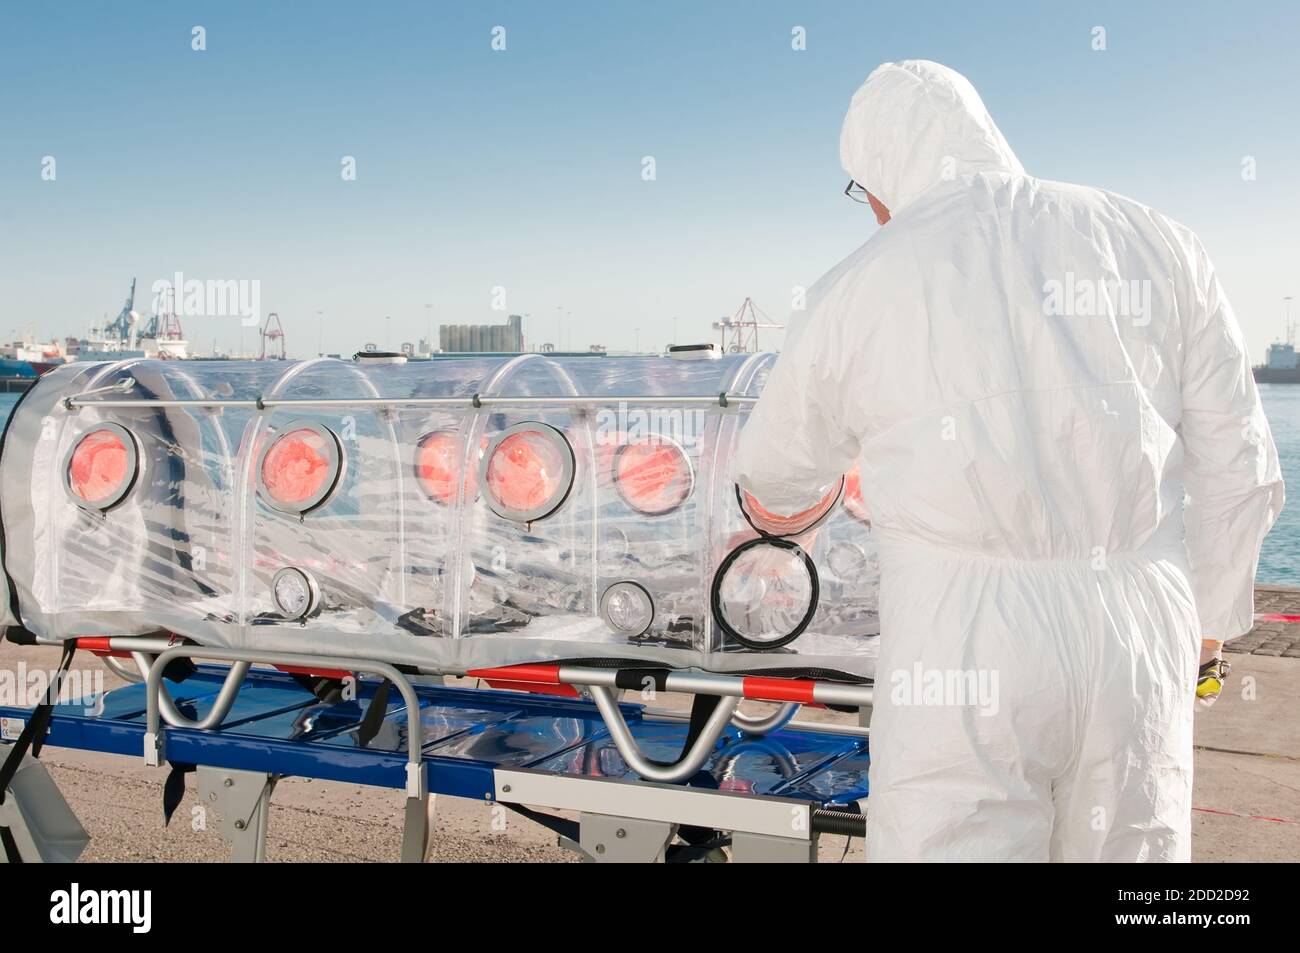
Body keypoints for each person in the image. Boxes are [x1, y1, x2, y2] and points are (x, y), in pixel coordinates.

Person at [732, 60, 1283, 862]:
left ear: (879, 172)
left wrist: (814, 496)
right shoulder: (1158, 239)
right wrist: (1211, 626)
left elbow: (775, 479)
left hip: (965, 640)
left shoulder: (859, 285)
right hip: (1140, 625)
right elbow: (1242, 461)